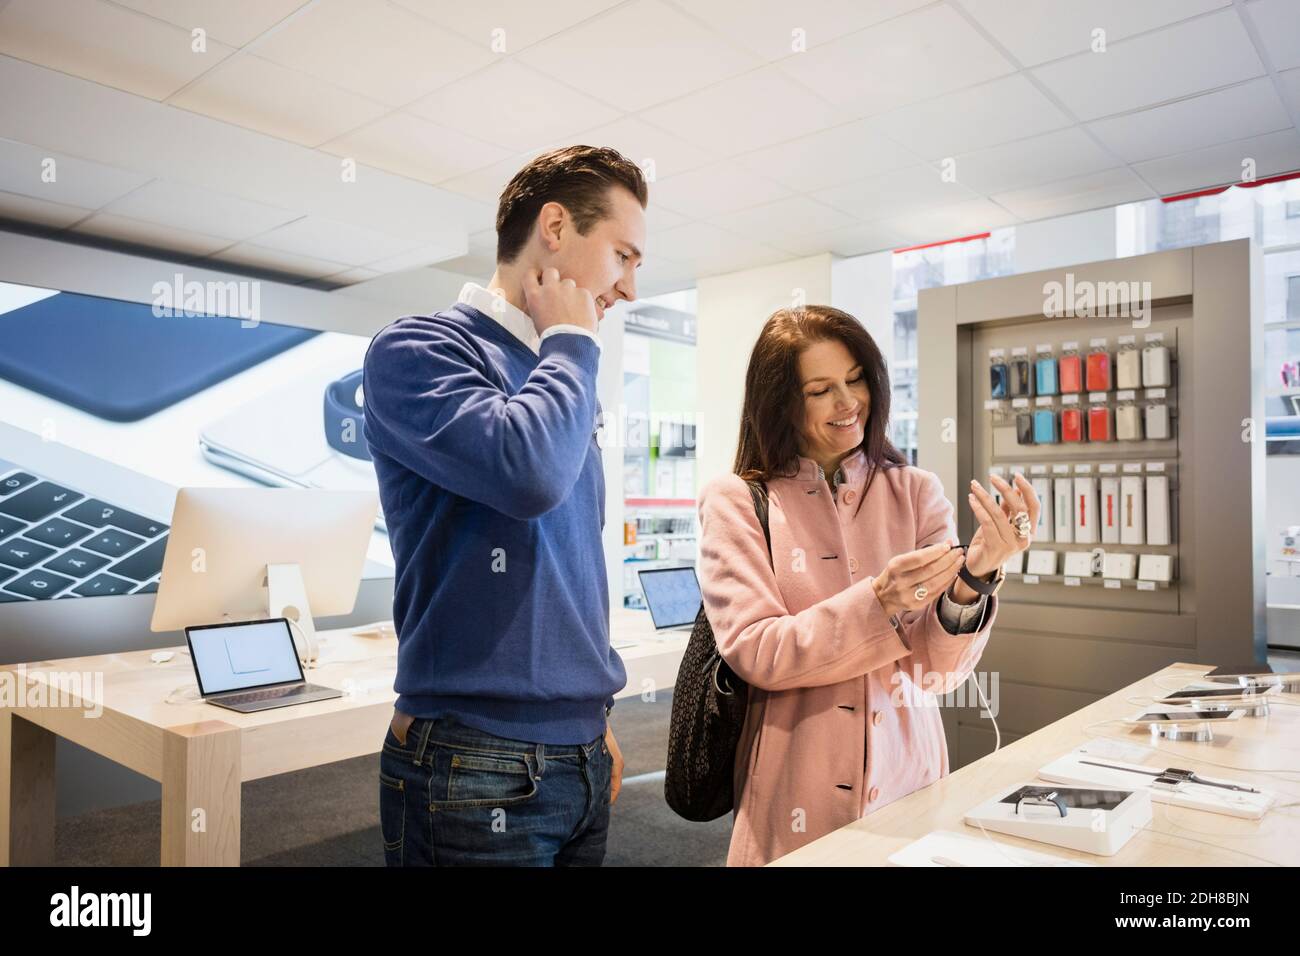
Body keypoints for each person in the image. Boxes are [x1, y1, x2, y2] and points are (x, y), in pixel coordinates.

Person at [362, 145, 647, 866]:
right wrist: (573, 339)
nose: (631, 287)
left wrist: (591, 713)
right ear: (555, 228)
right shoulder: (419, 350)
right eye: (623, 256)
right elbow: (528, 476)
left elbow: (573, 557)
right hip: (473, 757)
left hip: (577, 750)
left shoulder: (563, 369)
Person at [696, 305, 1038, 866]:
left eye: (856, 379)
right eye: (820, 389)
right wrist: (878, 602)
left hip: (909, 773)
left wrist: (975, 575)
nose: (848, 402)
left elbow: (938, 670)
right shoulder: (736, 501)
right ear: (779, 400)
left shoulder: (917, 492)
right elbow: (758, 652)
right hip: (793, 785)